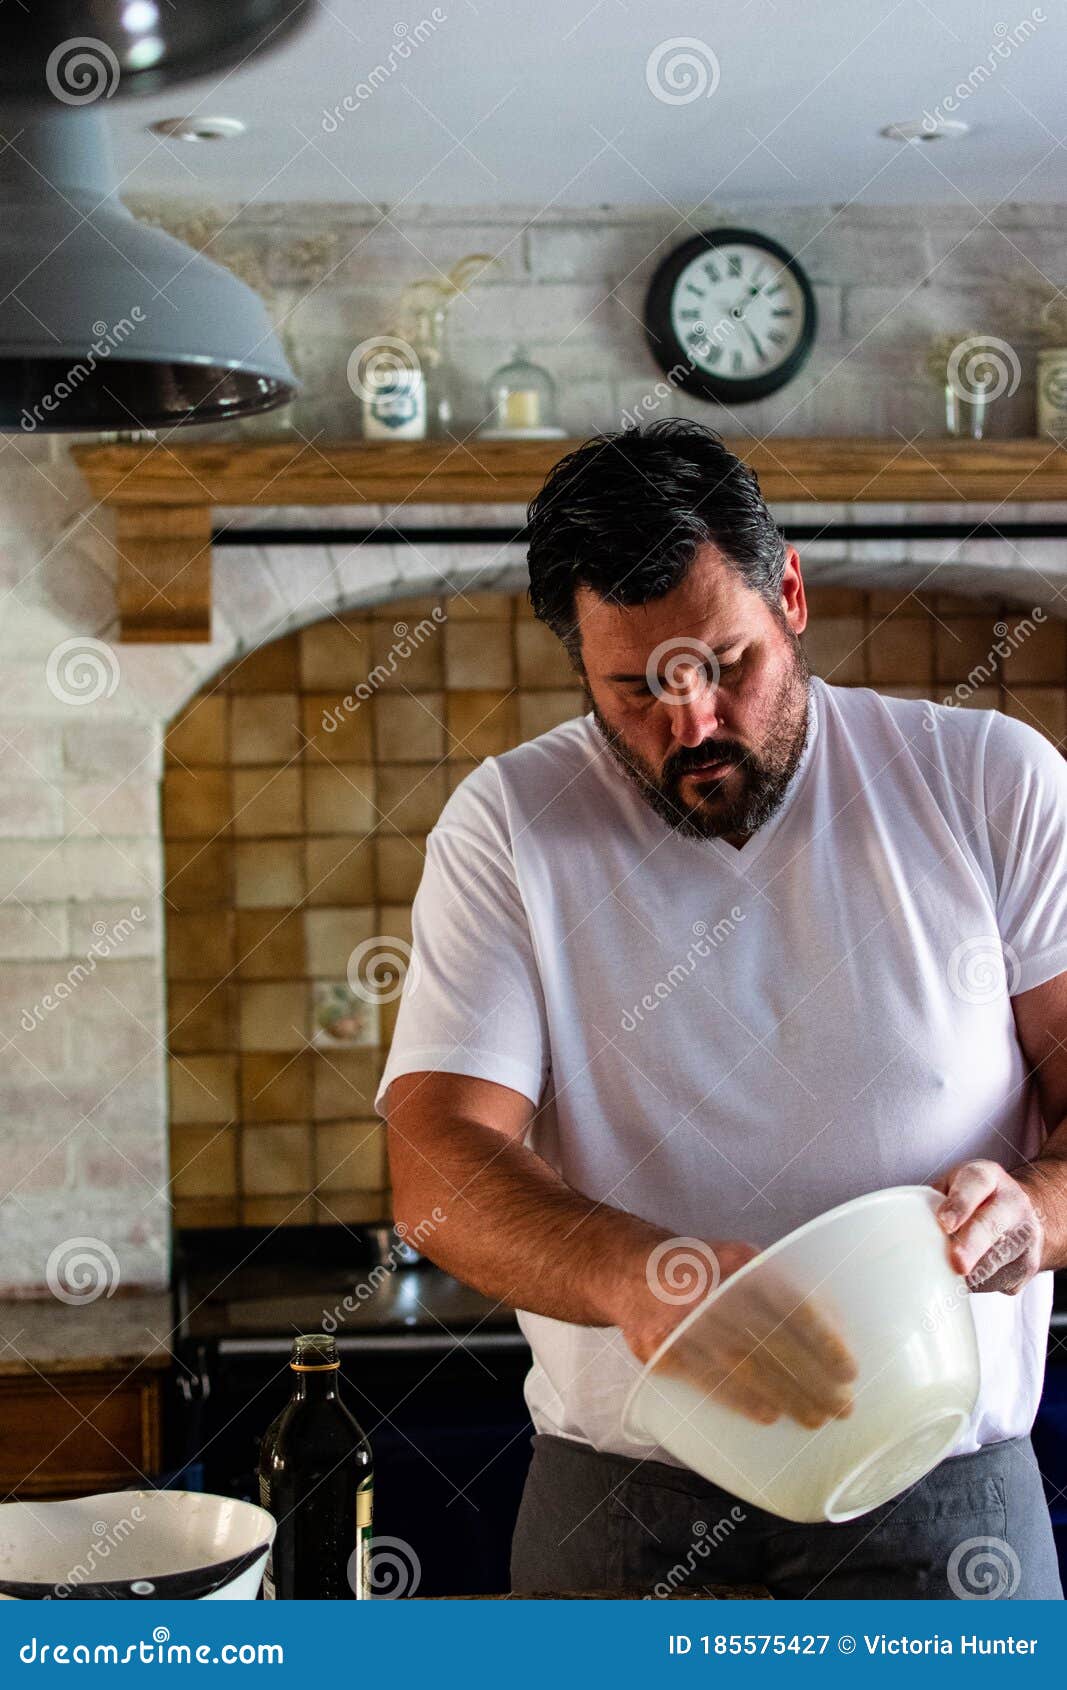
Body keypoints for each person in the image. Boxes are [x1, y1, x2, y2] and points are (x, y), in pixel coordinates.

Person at [376, 421, 1067, 1599]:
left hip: (941, 1493)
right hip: (620, 1506)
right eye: (635, 687)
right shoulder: (509, 824)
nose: (690, 723)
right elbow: (437, 1163)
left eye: (726, 664)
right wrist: (636, 1277)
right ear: (578, 665)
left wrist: (1038, 1211)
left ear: (786, 591)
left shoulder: (990, 780)